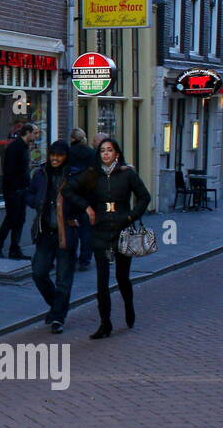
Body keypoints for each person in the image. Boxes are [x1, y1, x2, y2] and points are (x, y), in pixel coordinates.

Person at [72, 138, 151, 339]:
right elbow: (69, 189)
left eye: (110, 150)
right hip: (101, 232)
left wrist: (132, 216)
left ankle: (128, 307)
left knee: (122, 277)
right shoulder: (93, 175)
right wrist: (87, 208)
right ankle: (105, 324)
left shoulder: (127, 174)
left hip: (122, 231)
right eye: (102, 151)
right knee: (102, 281)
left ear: (116, 153)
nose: (106, 154)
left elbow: (144, 197)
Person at [25, 141, 89, 333]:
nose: (55, 158)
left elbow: (86, 201)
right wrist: (35, 201)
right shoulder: (40, 173)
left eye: (59, 155)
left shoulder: (76, 176)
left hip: (66, 232)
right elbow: (29, 193)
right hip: (45, 231)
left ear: (66, 156)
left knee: (63, 278)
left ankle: (58, 318)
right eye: (52, 154)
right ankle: (56, 306)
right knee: (38, 272)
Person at [0, 123, 39, 260]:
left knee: (19, 219)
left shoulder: (23, 147)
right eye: (35, 133)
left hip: (21, 189)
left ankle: (14, 249)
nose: (37, 136)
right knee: (11, 219)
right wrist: (17, 188)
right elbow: (10, 170)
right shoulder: (15, 148)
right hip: (14, 190)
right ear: (28, 132)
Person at [67, 128, 97, 271]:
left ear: (72, 139)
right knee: (86, 230)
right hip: (89, 197)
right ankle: (85, 259)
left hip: (72, 197)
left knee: (71, 228)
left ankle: (71, 257)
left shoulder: (68, 153)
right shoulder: (92, 154)